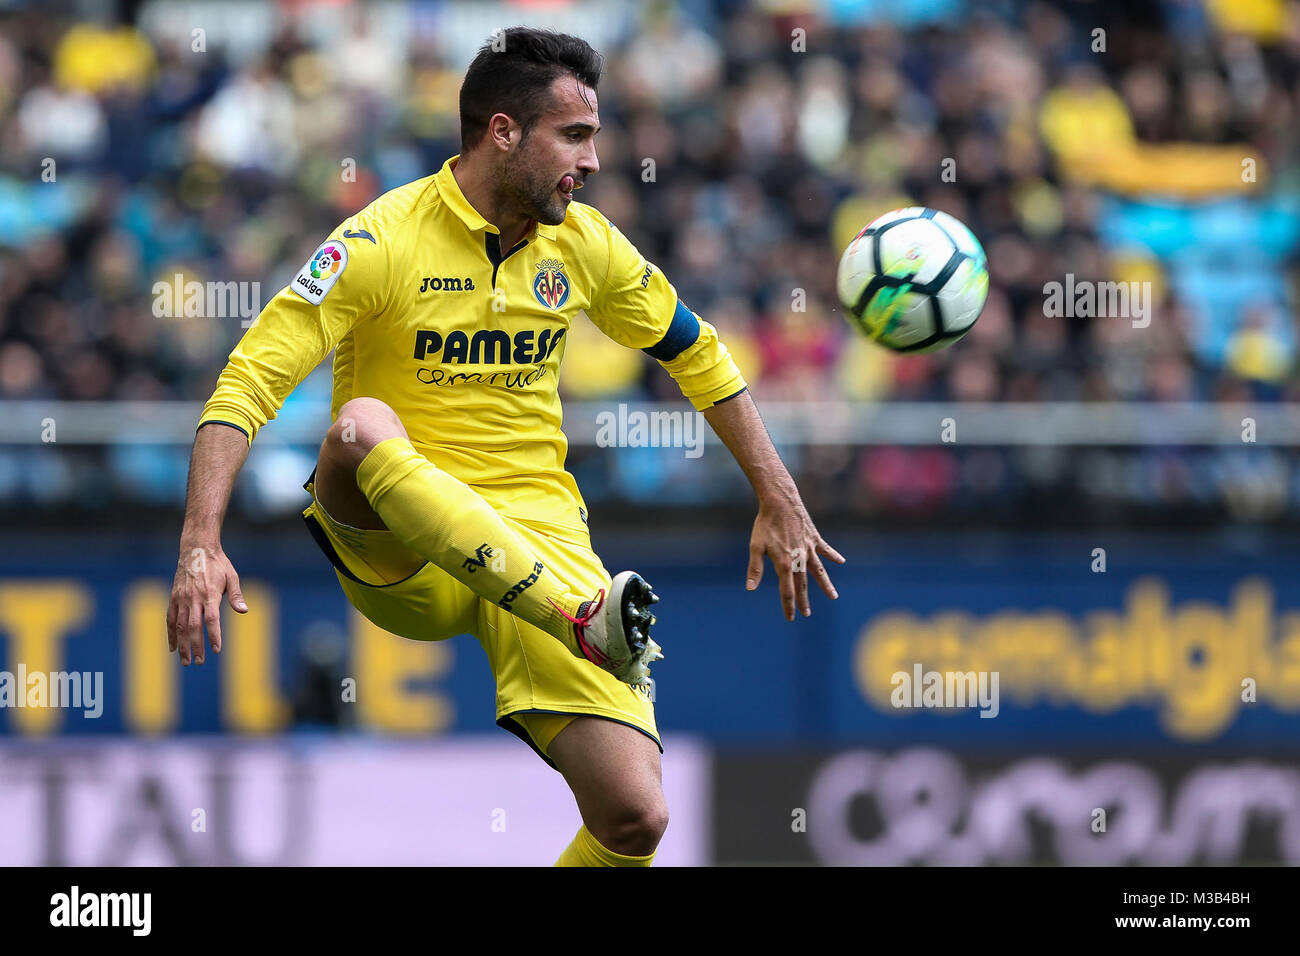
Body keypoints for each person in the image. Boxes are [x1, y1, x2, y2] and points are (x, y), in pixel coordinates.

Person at [166, 27, 842, 867]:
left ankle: (572, 616)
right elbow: (247, 384)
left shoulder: (584, 243)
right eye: (576, 135)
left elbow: (695, 351)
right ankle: (577, 619)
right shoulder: (378, 242)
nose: (593, 162)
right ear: (502, 132)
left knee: (635, 817)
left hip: (536, 532)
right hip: (401, 547)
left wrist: (778, 493)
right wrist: (200, 543)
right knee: (358, 424)